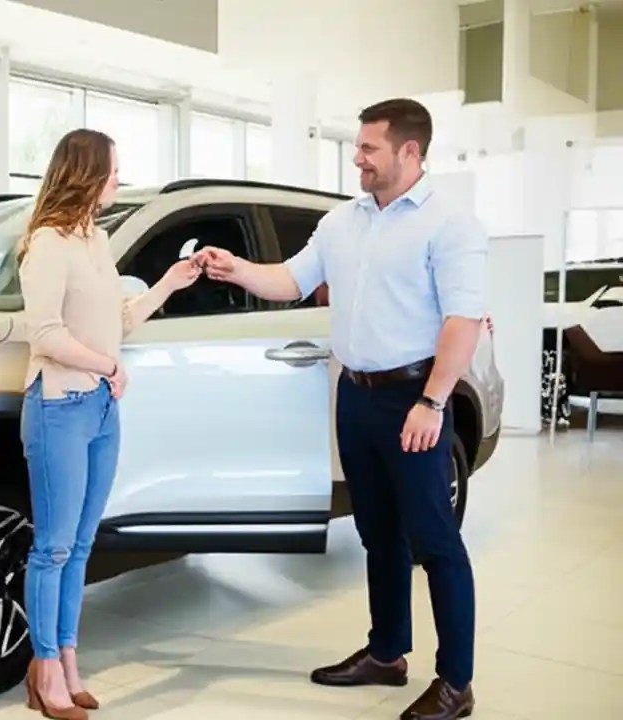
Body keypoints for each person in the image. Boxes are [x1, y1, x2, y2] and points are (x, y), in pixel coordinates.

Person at [194, 98, 484, 720]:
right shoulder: (342, 222)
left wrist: (433, 401)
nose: (357, 157)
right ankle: (387, 653)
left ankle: (456, 682)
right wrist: (235, 267)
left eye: (368, 148)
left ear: (410, 151)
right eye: (357, 146)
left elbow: (463, 321)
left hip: (415, 397)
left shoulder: (448, 223)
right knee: (376, 532)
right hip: (355, 396)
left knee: (433, 541)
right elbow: (291, 280)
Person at [17, 128, 200, 719]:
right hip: (59, 406)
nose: (118, 181)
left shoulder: (94, 239)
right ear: (86, 173)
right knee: (52, 548)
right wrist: (106, 366)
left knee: (81, 545)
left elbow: (115, 319)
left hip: (99, 407)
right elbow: (43, 333)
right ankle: (45, 672)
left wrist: (171, 282)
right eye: (114, 171)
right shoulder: (47, 242)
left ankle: (68, 662)